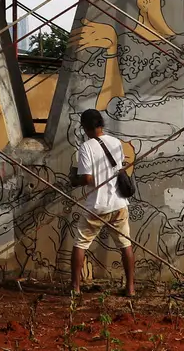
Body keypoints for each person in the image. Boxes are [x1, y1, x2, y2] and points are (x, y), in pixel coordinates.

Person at [69, 109, 135, 297]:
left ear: (85, 127)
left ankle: (75, 287)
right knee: (125, 244)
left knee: (80, 244)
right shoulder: (115, 143)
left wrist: (74, 179)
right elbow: (118, 168)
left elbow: (88, 178)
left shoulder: (86, 147)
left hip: (97, 206)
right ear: (101, 124)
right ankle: (130, 288)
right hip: (119, 203)